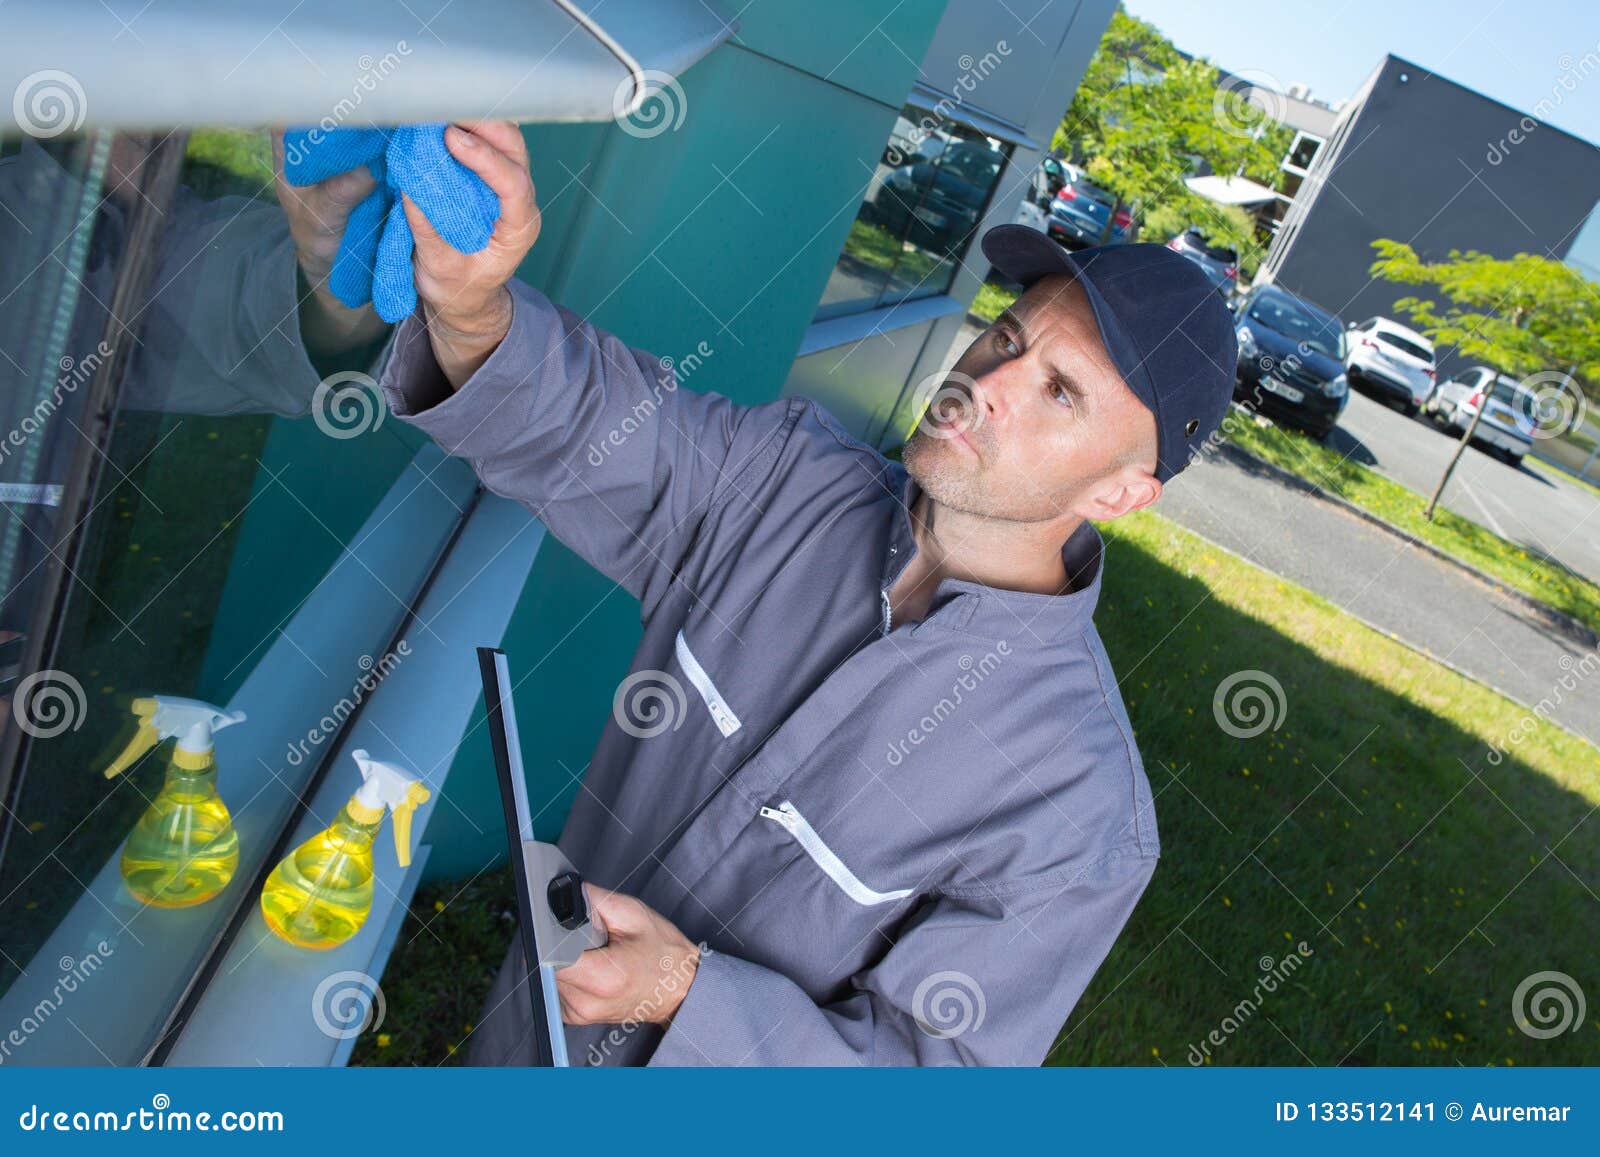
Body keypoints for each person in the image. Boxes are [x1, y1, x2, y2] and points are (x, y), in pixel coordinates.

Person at [368, 121, 1235, 1066]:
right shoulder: (784, 481)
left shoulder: (1079, 815)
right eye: (1007, 337)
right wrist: (469, 304)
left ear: (1121, 492)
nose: (985, 383)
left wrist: (685, 998)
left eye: (1060, 392)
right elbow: (583, 422)